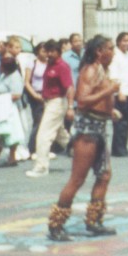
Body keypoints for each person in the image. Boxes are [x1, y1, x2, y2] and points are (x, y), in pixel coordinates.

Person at [44, 35, 120, 242]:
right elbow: (83, 100)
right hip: (87, 131)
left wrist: (109, 111)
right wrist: (109, 90)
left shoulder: (102, 70)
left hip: (100, 127)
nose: (113, 53)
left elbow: (96, 101)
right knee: (77, 178)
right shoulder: (91, 70)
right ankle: (56, 225)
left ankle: (94, 220)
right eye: (110, 49)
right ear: (99, 52)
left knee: (104, 175)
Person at [27, 40, 74, 177]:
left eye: (52, 51)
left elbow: (69, 88)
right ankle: (79, 153)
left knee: (44, 135)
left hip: (58, 102)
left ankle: (41, 167)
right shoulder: (50, 64)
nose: (49, 54)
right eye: (48, 51)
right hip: (48, 102)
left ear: (59, 52)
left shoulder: (62, 66)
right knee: (61, 135)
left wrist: (70, 107)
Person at [0, 52, 25, 167]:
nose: (0, 68)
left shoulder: (15, 77)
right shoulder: (3, 75)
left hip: (10, 110)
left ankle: (12, 157)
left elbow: (17, 94)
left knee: (11, 132)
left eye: (2, 66)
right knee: (0, 132)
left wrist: (1, 98)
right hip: (0, 108)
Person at [108, 32, 128, 157]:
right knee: (120, 122)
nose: (126, 43)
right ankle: (118, 149)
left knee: (127, 122)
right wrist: (119, 92)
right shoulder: (115, 56)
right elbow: (114, 76)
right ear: (118, 41)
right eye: (124, 40)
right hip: (120, 93)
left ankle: (123, 147)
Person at [23, 42, 48, 155]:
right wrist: (34, 95)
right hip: (35, 94)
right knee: (38, 121)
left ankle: (44, 148)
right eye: (43, 51)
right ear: (37, 52)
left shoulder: (49, 63)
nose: (46, 54)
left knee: (47, 122)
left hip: (48, 94)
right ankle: (31, 148)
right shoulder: (32, 63)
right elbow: (27, 82)